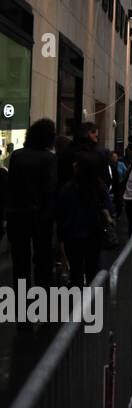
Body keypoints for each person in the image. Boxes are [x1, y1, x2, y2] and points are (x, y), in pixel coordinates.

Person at [6, 119, 60, 287]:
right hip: (40, 216)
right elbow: (50, 189)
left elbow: (11, 185)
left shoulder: (17, 155)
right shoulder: (49, 158)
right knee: (42, 259)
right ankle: (39, 298)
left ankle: (21, 299)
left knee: (20, 261)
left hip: (17, 214)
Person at [55, 153, 116, 286]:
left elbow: (61, 214)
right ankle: (92, 301)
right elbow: (110, 208)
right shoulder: (99, 187)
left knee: (76, 271)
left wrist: (61, 240)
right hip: (94, 235)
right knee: (92, 271)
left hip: (73, 236)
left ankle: (78, 301)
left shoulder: (68, 188)